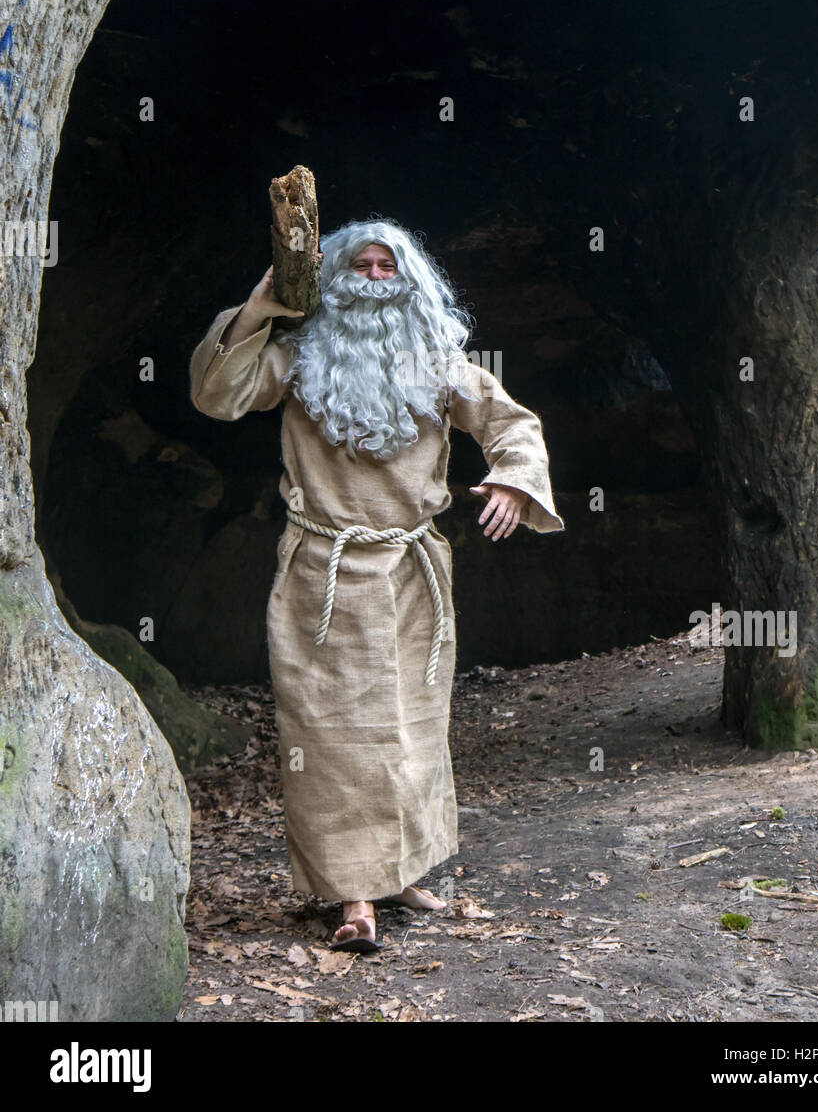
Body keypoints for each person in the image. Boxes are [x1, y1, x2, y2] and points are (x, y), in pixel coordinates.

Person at [189, 217, 564, 951]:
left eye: (385, 265)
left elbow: (513, 425)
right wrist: (260, 308)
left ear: (411, 281)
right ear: (330, 282)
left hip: (412, 571)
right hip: (322, 574)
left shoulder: (441, 364)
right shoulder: (296, 359)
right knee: (331, 736)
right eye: (358, 264)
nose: (371, 274)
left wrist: (515, 483)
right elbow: (216, 393)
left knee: (411, 730)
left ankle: (402, 873)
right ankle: (352, 894)